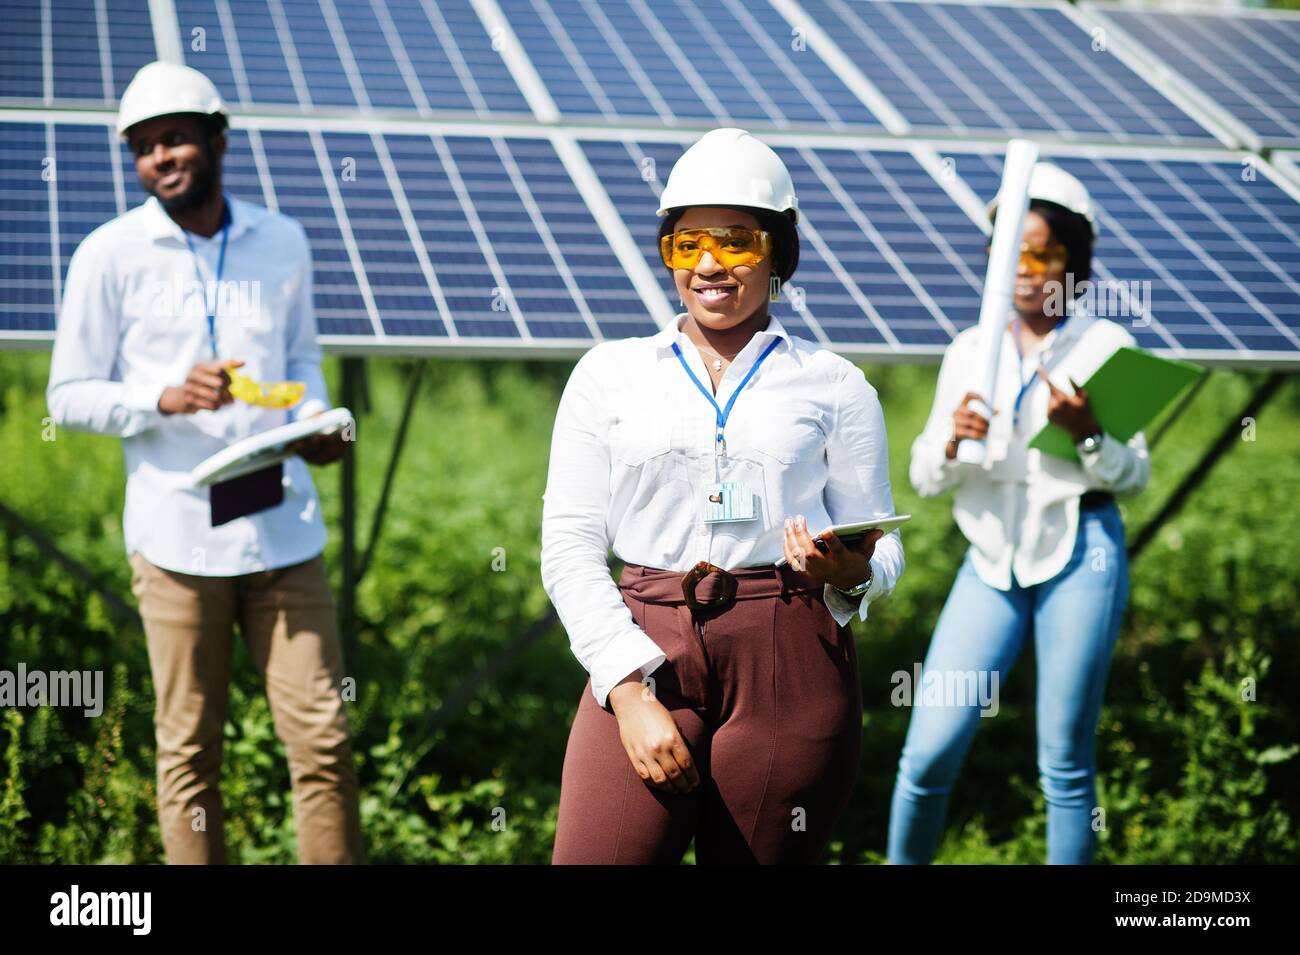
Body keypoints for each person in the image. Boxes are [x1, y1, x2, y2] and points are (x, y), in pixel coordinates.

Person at [541, 127, 905, 864]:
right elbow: (569, 545)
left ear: (778, 252)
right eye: (687, 243)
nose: (709, 263)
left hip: (792, 653)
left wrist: (853, 574)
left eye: (735, 241)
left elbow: (885, 541)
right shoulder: (607, 375)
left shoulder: (836, 386)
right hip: (644, 641)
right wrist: (629, 690)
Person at [46, 61, 363, 864]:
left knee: (323, 740)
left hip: (285, 531)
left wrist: (318, 423)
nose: (163, 157)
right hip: (178, 537)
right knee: (190, 750)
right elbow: (67, 396)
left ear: (218, 140)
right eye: (146, 147)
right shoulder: (108, 254)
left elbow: (302, 359)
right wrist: (160, 398)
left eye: (177, 137)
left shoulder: (282, 241)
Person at [888, 163, 1150, 864]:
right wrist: (952, 439)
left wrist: (1090, 432)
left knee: (1064, 762)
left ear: (1075, 260)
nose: (1029, 270)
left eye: (1045, 254)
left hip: (1080, 552)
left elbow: (1136, 475)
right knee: (926, 755)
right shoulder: (971, 351)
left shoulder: (1106, 347)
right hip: (990, 560)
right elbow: (922, 475)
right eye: (1013, 253)